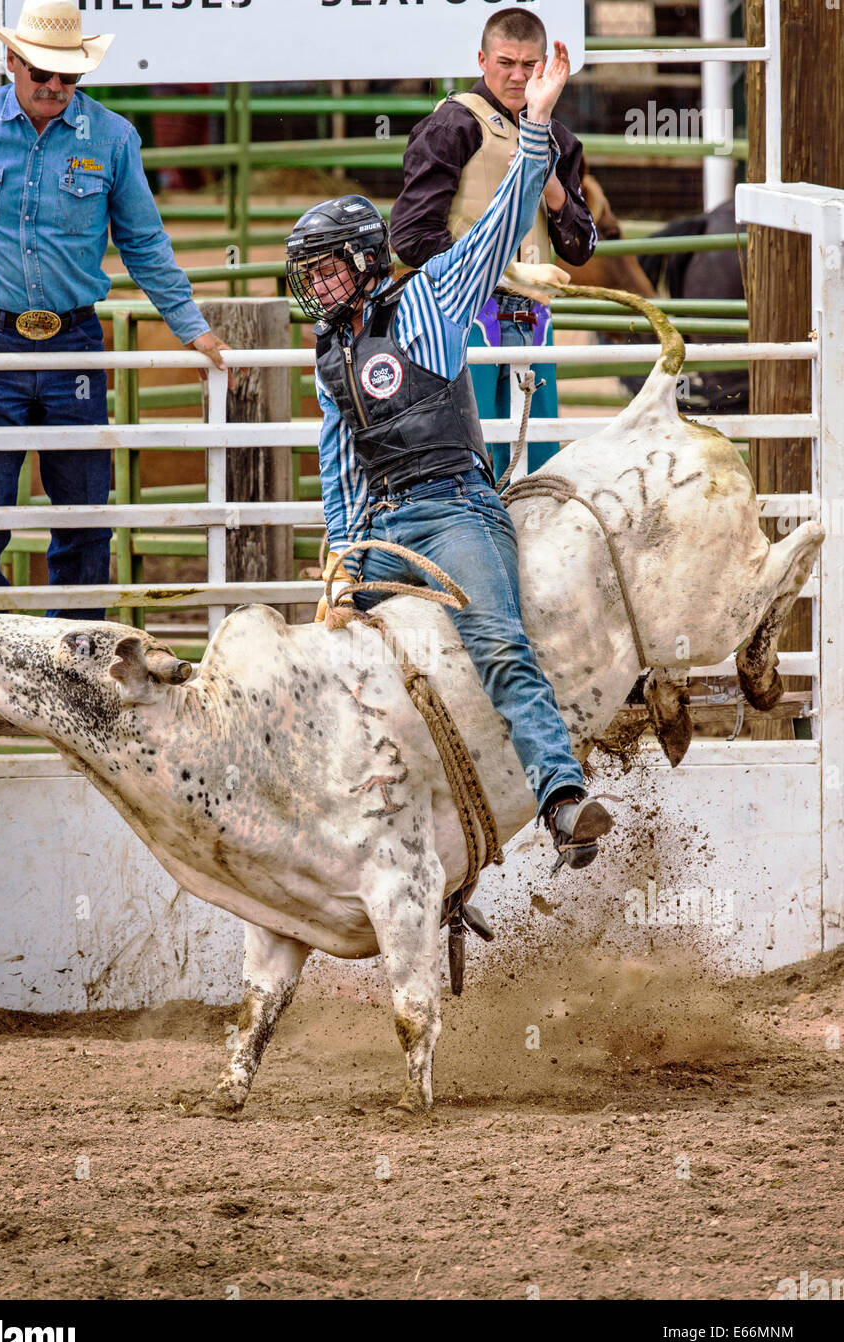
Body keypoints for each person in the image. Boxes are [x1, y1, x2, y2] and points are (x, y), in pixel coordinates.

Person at [286, 41, 613, 873]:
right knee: (342, 672)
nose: (316, 290)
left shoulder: (429, 300)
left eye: (325, 274)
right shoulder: (329, 359)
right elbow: (339, 465)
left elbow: (505, 215)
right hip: (382, 529)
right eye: (308, 278)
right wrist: (341, 555)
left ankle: (561, 797)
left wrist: (536, 122)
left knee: (499, 643)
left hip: (455, 507)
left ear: (362, 264)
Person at [0, 0, 228, 620]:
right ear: (12, 61)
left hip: (74, 344)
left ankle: (78, 664)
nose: (56, 86)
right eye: (43, 71)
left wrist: (190, 327)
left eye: (70, 76)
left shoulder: (112, 137)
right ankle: (3, 652)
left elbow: (142, 239)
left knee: (86, 516)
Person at [389, 6, 596, 480]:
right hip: (460, 321)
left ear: (545, 66)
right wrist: (491, 274)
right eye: (506, 63)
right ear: (482, 59)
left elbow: (581, 246)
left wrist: (549, 187)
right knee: (466, 463)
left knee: (537, 470)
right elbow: (411, 234)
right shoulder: (453, 126)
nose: (518, 76)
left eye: (529, 65)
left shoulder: (559, 140)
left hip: (534, 321)